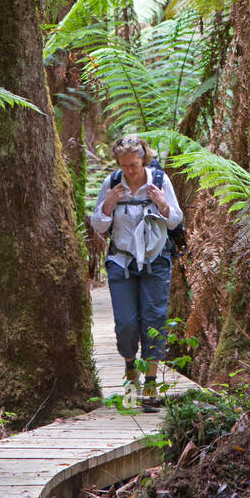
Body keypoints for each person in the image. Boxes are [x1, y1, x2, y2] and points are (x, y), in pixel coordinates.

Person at [90, 134, 183, 410]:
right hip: (121, 263)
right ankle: (131, 371)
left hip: (156, 261)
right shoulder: (112, 183)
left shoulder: (159, 181)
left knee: (154, 320)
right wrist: (108, 204)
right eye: (125, 165)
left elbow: (175, 219)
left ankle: (151, 386)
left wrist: (162, 203)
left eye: (134, 164)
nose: (130, 170)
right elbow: (99, 225)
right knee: (127, 323)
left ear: (143, 158)